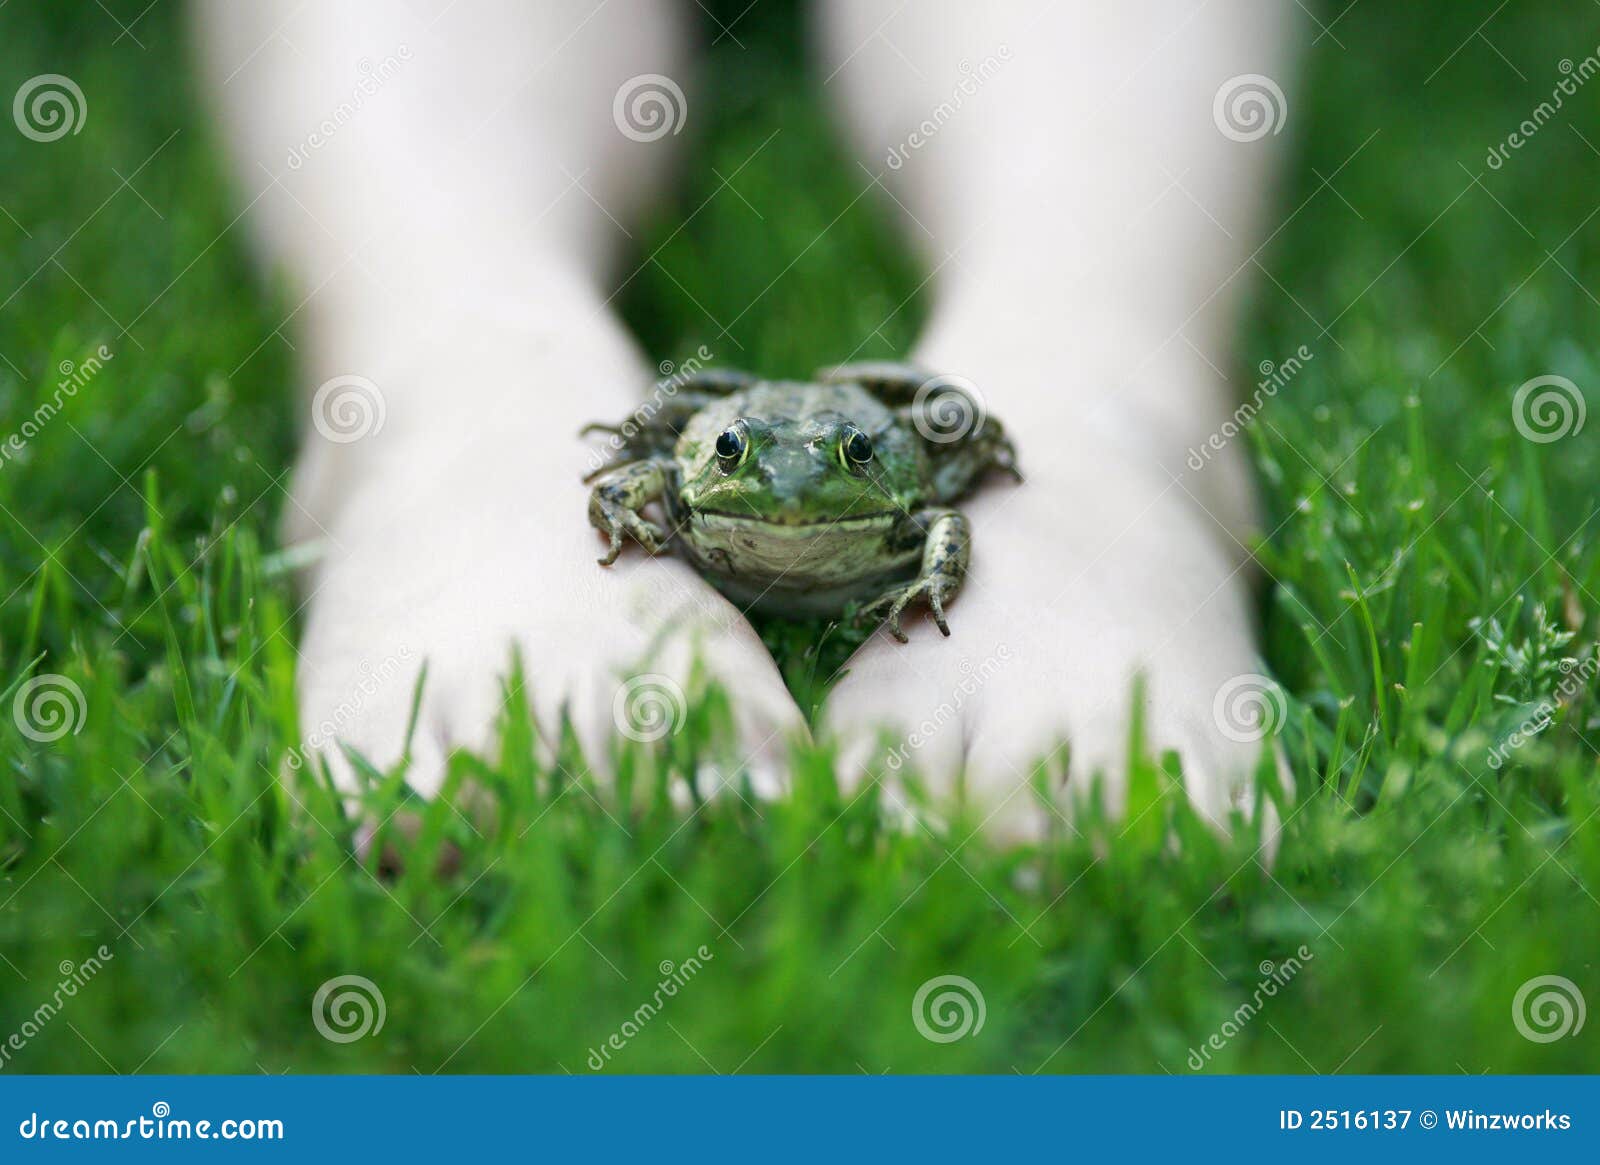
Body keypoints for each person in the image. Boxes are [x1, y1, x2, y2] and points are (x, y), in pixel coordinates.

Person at [196, 0, 1293, 842]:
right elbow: (661, 480)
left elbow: (941, 529)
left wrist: (945, 562)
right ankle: (464, 369)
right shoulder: (682, 478)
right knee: (464, 326)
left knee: (1075, 316)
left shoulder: (917, 512)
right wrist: (620, 503)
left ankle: (1087, 375)